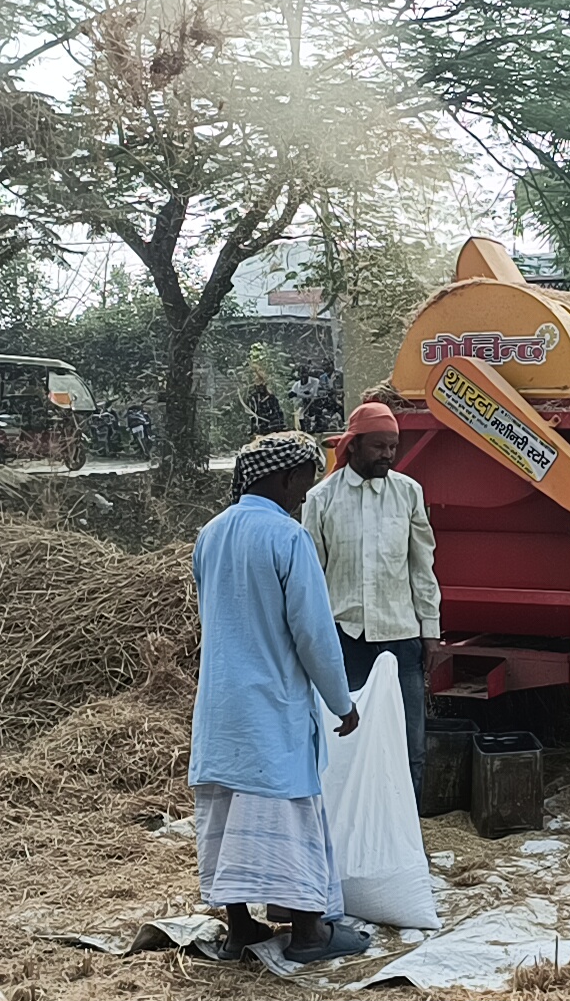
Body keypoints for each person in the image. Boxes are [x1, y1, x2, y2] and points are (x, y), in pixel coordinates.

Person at [189, 431, 368, 964]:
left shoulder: (210, 534)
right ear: (287, 478)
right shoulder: (287, 537)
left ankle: (242, 928)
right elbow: (314, 634)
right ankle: (309, 933)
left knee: (227, 814)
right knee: (285, 812)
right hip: (272, 705)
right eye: (306, 483)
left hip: (221, 704)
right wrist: (343, 703)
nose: (307, 494)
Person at [301, 401, 440, 800]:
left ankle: (406, 831)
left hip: (400, 638)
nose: (388, 455)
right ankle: (348, 827)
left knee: (409, 742)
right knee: (348, 740)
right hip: (345, 641)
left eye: (393, 447)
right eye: (379, 446)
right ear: (355, 446)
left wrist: (430, 632)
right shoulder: (321, 499)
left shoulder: (408, 493)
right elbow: (311, 580)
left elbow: (422, 570)